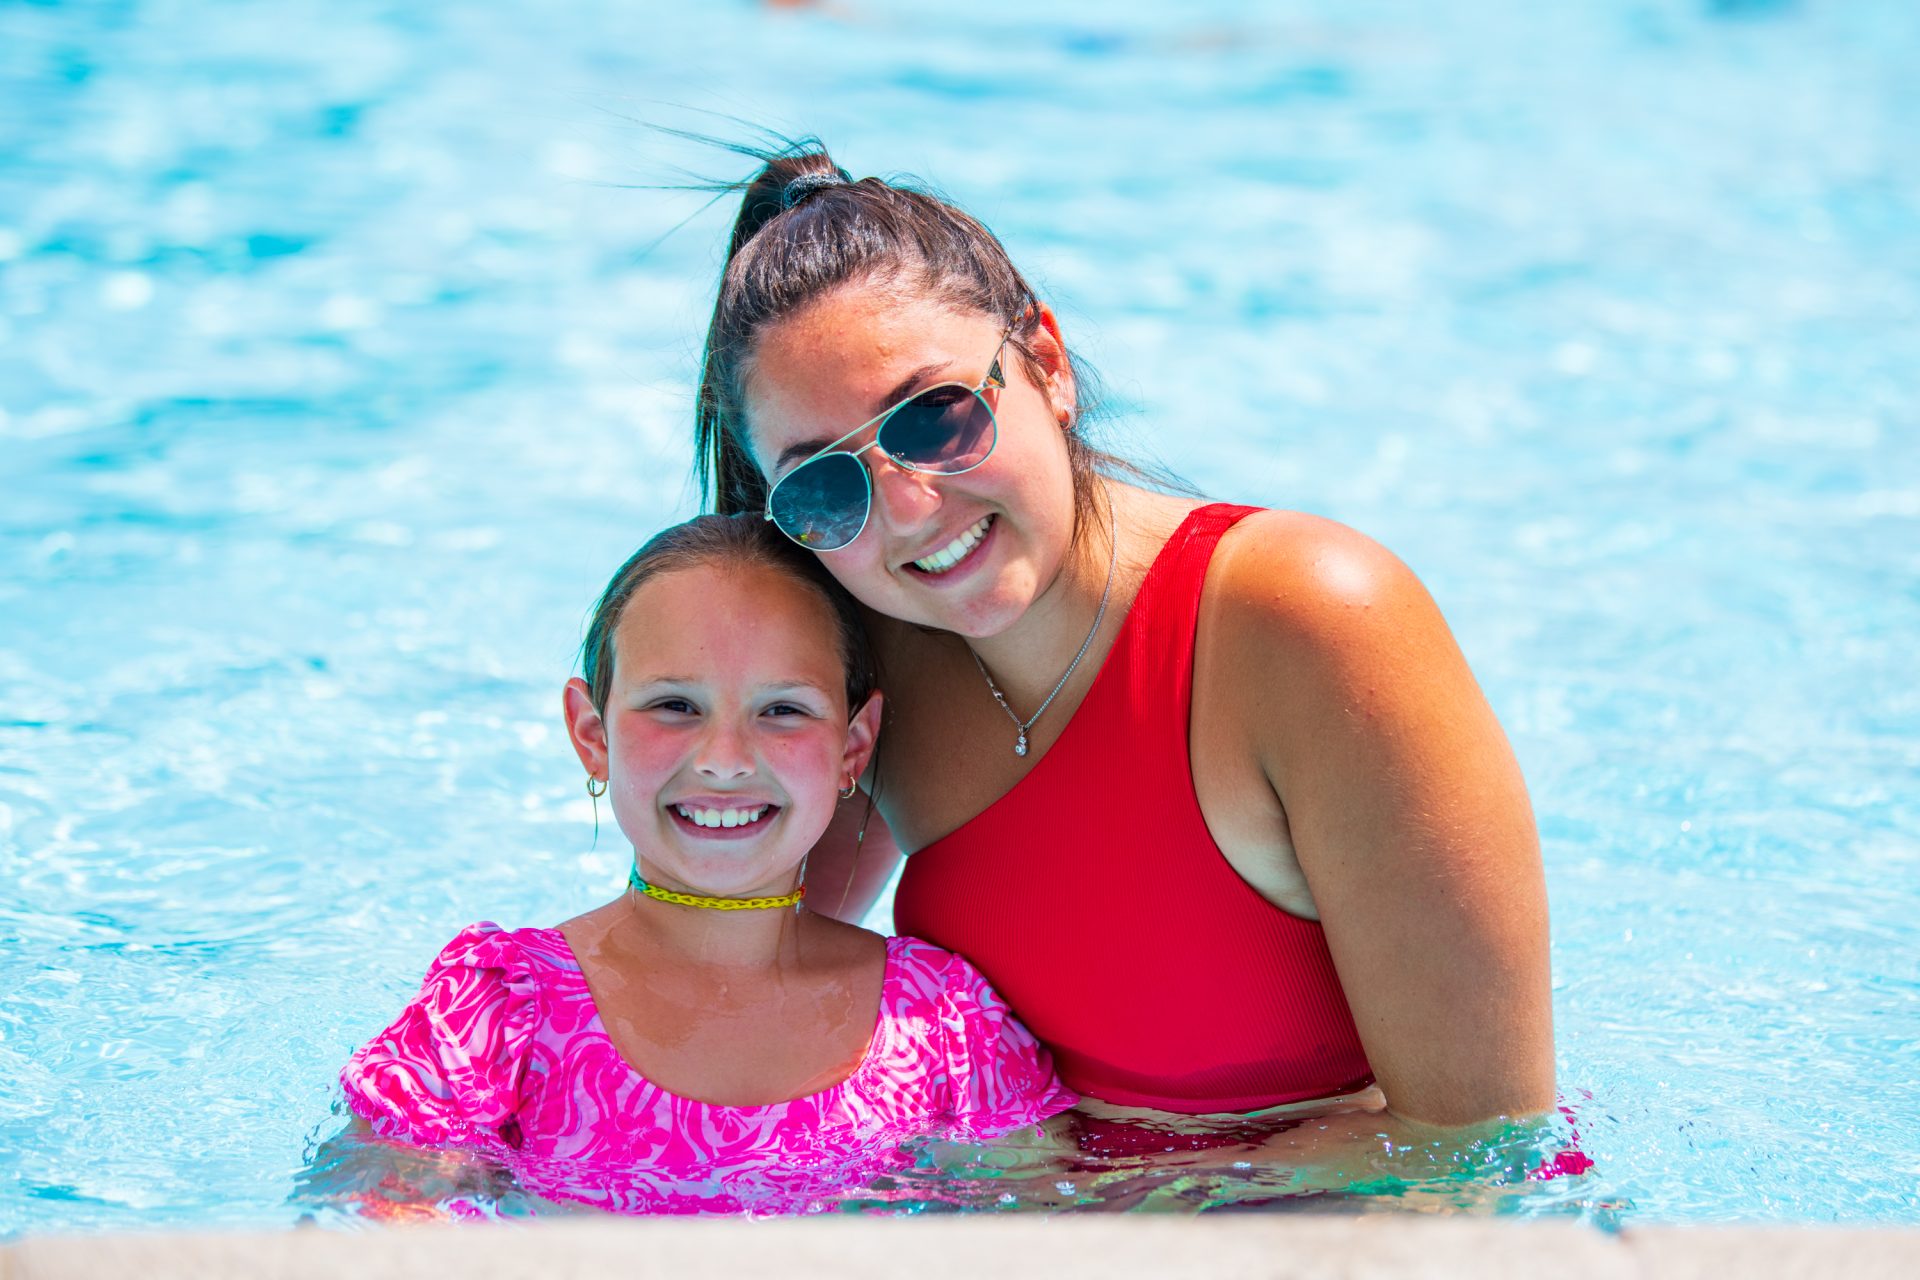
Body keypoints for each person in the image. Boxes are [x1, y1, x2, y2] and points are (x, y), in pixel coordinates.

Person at [691, 144, 1556, 1129]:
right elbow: (724, 961)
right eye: (824, 485)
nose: (909, 507)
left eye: (934, 418)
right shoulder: (873, 663)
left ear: (1047, 365)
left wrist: (1087, 1207)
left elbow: (1482, 1150)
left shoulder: (1311, 623)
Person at [338, 515, 1075, 1214]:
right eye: (675, 706)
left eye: (782, 710)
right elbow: (374, 1226)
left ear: (853, 747)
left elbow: (1049, 1234)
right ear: (592, 736)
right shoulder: (498, 1016)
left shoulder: (941, 1025)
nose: (725, 761)